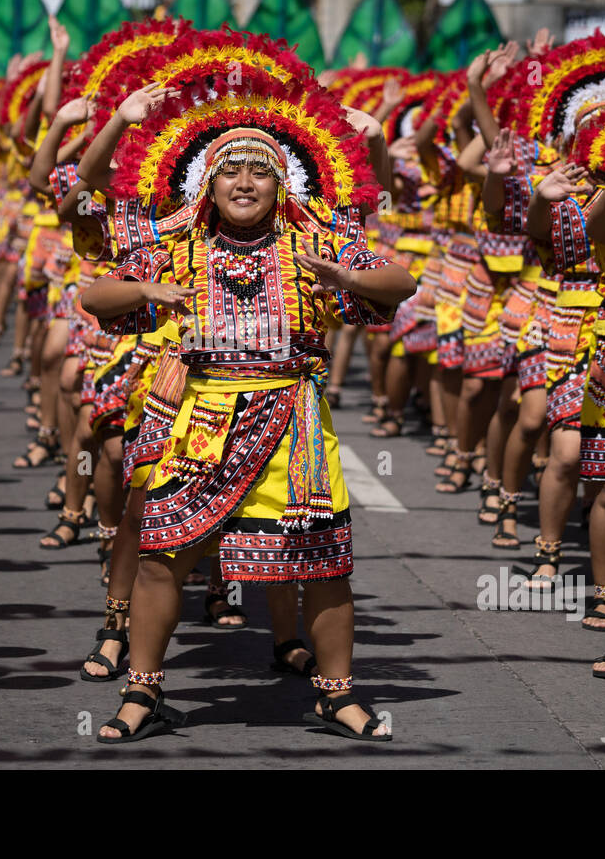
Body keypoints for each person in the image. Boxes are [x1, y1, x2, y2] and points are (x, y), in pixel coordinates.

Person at [80, 75, 415, 742]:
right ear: (208, 183)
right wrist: (148, 287)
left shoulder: (313, 244)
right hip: (198, 416)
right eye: (229, 170)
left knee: (323, 560)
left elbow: (400, 282)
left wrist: (345, 278)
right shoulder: (178, 245)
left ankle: (336, 694)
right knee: (163, 555)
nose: (243, 182)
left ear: (280, 185)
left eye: (259, 173)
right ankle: (142, 691)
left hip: (293, 416)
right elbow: (94, 297)